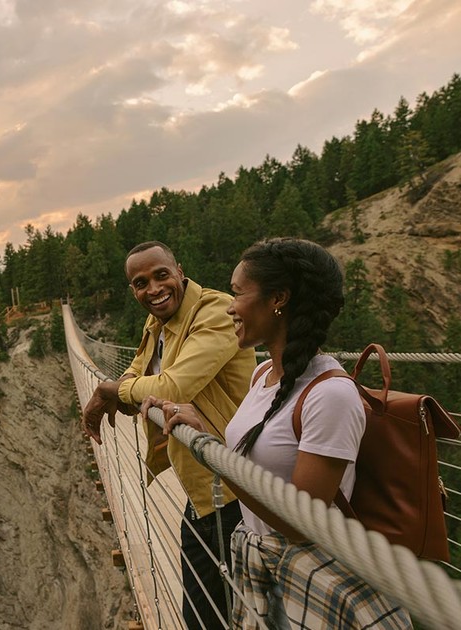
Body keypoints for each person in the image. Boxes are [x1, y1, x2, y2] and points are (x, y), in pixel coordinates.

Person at [155, 238, 411, 628]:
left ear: (279, 298)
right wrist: (205, 430)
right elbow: (256, 460)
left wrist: (212, 455)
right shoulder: (263, 376)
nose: (229, 306)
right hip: (262, 567)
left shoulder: (331, 395)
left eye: (238, 293)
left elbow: (297, 522)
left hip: (310, 579)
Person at [81, 241, 256, 629]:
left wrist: (112, 390)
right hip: (201, 489)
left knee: (229, 614)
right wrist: (125, 387)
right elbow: (137, 374)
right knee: (202, 613)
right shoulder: (157, 321)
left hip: (233, 488)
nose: (154, 288)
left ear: (179, 270)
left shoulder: (215, 311)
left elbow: (171, 388)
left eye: (161, 275)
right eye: (141, 283)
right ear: (133, 290)